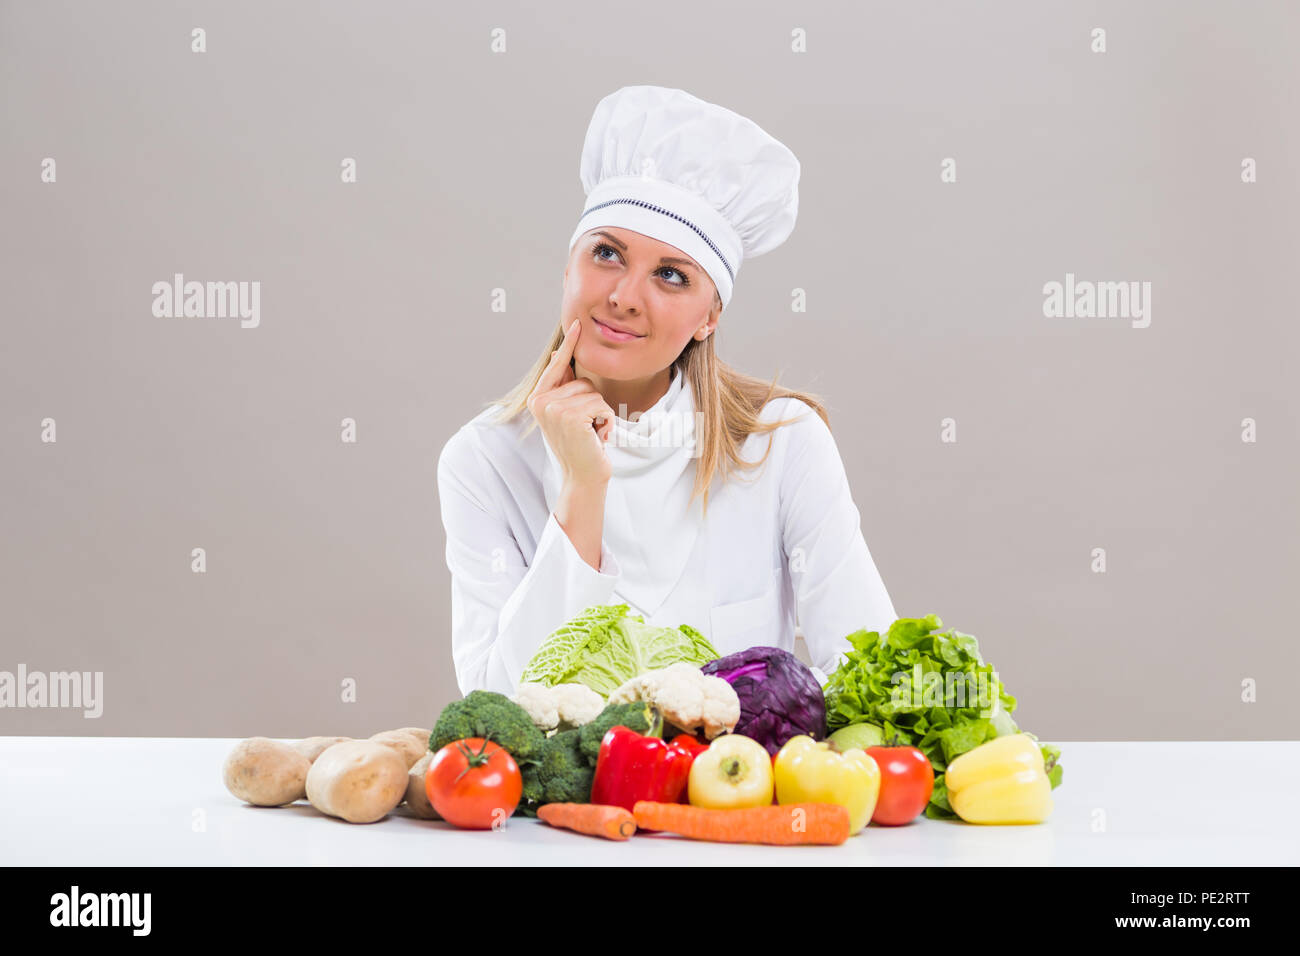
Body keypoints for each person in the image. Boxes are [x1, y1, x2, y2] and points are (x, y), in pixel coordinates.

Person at [437, 85, 896, 696]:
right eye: (607, 254)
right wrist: (583, 486)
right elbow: (500, 708)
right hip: (575, 796)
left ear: (710, 316)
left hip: (739, 788)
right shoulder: (484, 461)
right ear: (567, 267)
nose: (625, 296)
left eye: (671, 276)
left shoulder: (780, 445)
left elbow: (870, 671)